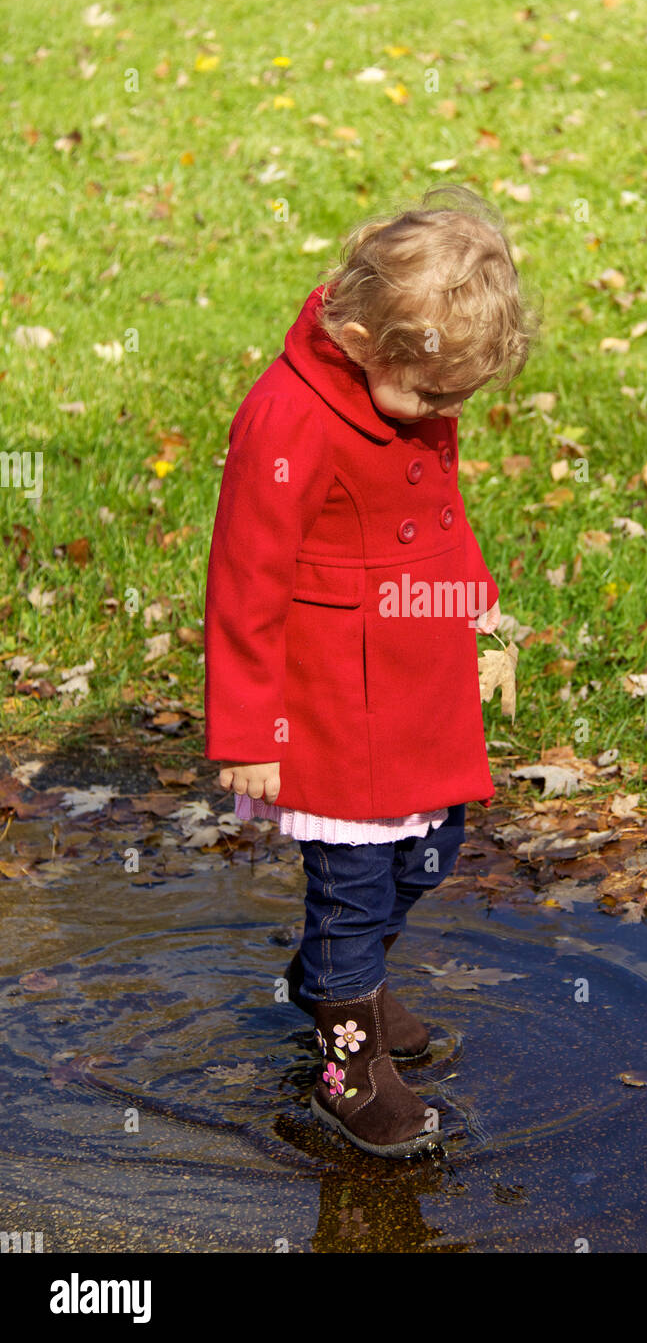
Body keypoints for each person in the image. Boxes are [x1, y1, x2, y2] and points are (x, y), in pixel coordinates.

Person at [204, 183, 540, 1158]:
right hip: (336, 707)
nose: (445, 414)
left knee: (431, 849)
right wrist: (249, 732)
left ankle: (337, 979)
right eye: (434, 396)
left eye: (457, 400)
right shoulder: (285, 421)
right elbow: (244, 581)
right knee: (352, 887)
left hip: (417, 681)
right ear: (357, 337)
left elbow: (439, 511)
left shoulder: (409, 381)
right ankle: (346, 1067)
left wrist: (478, 619)